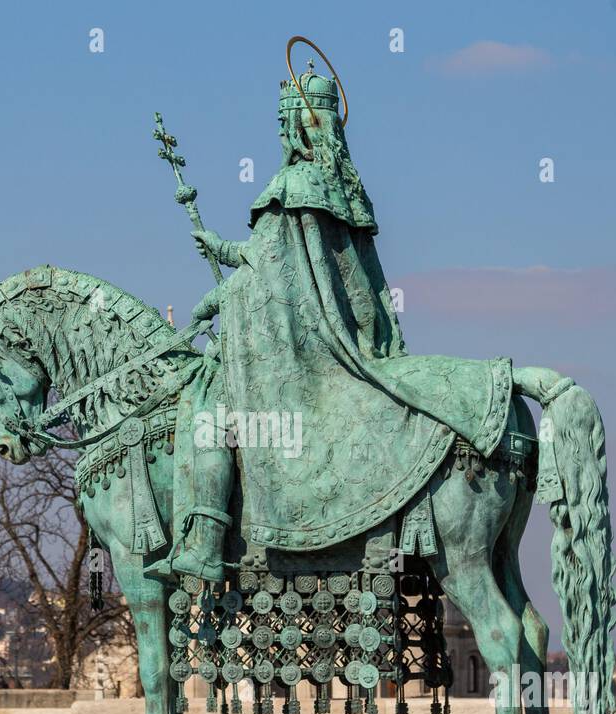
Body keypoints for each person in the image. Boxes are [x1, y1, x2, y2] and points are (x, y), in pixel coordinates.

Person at [166, 57, 564, 579]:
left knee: (209, 413)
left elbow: (274, 278)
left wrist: (214, 295)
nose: (283, 132)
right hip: (352, 335)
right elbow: (310, 272)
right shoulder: (344, 188)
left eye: (285, 121)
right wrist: (226, 251)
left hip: (307, 349)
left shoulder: (295, 185)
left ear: (297, 124)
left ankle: (206, 541)